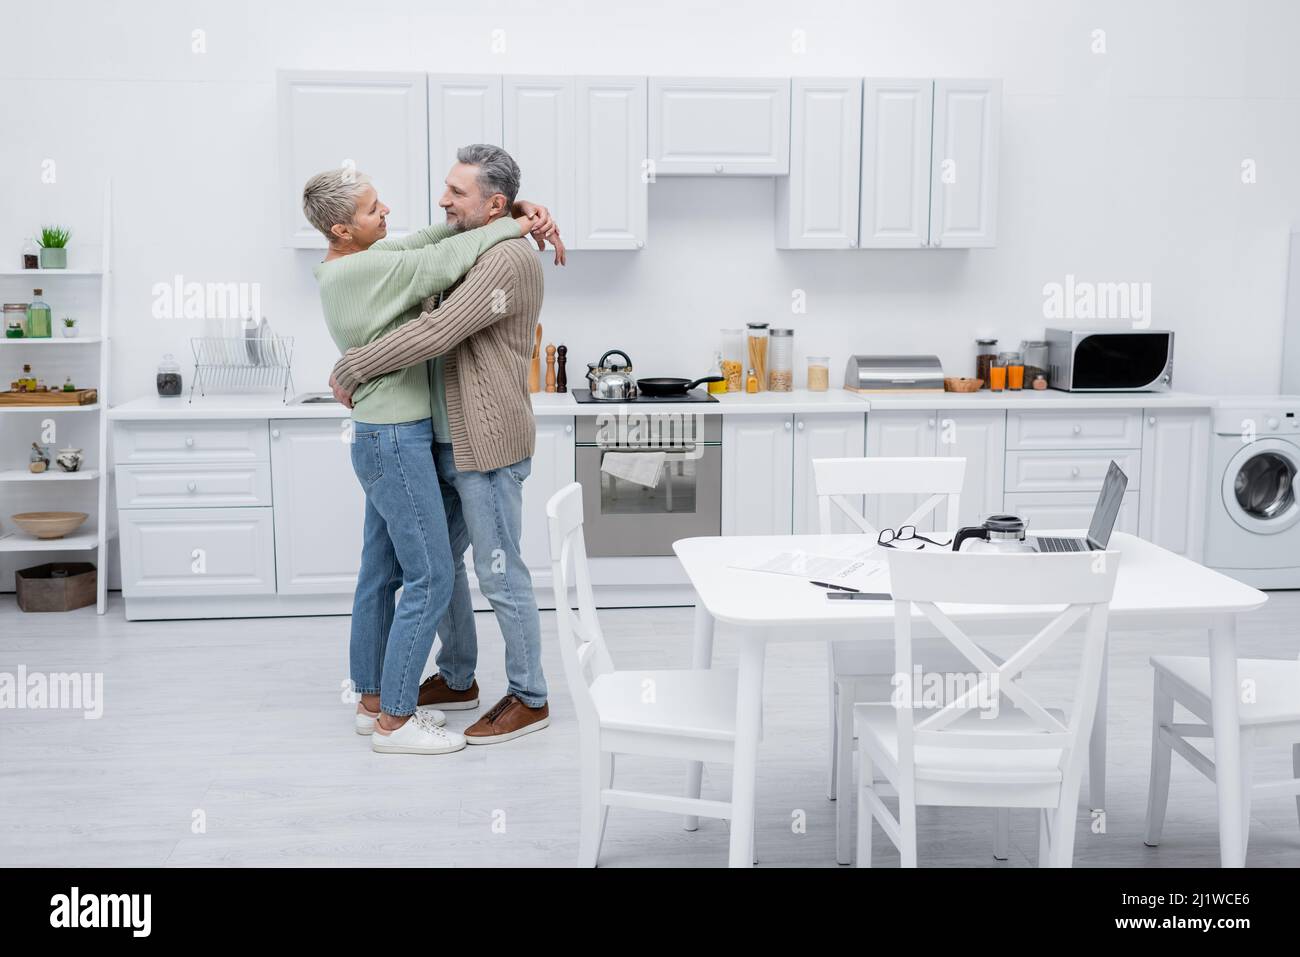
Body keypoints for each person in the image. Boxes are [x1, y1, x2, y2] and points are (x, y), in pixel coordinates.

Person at [305, 165, 556, 754]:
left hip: (480, 442)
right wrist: (516, 217)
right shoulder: (376, 265)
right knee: (427, 571)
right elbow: (432, 254)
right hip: (411, 436)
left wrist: (519, 219)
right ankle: (427, 690)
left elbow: (439, 323)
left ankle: (529, 696)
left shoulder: (503, 257)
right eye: (372, 209)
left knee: (483, 572)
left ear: (490, 204)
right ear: (343, 229)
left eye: (455, 192)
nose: (437, 201)